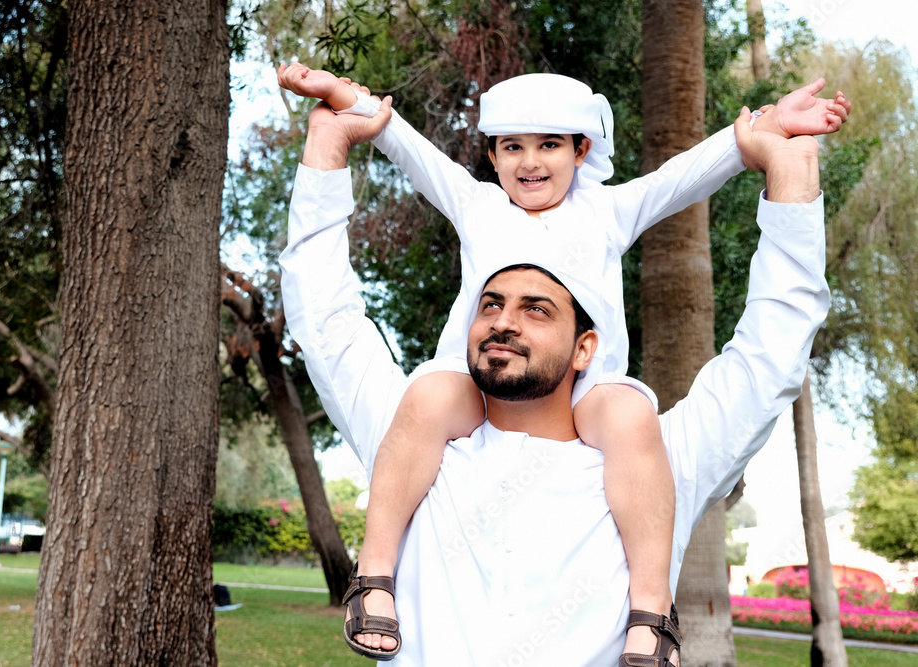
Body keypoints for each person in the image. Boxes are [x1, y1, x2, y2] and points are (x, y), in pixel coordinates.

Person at [278, 63, 849, 662]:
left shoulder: (652, 468)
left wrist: (779, 163)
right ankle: (373, 575)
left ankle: (653, 614)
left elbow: (769, 350)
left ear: (585, 344)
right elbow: (325, 317)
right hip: (448, 408)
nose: (504, 322)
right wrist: (333, 138)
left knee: (626, 412)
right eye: (490, 303)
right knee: (431, 394)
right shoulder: (413, 441)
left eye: (537, 309)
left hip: (605, 409)